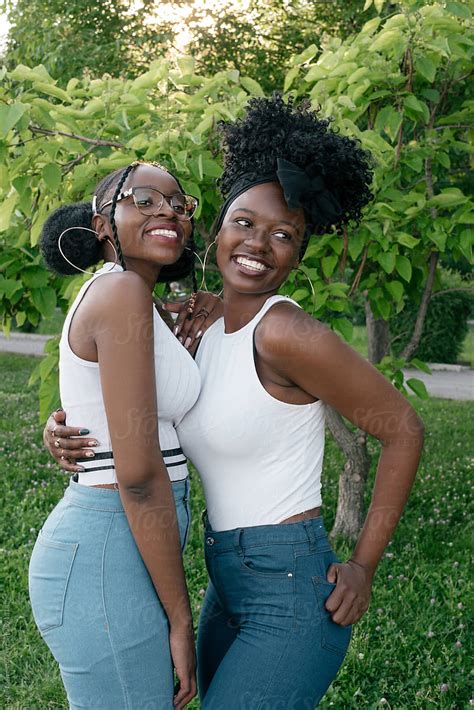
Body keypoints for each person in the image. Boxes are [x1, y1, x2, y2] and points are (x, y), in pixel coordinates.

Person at [43, 96, 424, 708]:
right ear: (217, 229)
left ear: (298, 254)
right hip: (227, 579)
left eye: (284, 236)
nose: (259, 244)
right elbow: (125, 387)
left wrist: (364, 564)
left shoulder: (286, 332)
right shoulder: (194, 326)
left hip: (294, 582)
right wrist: (65, 428)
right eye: (244, 222)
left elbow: (403, 429)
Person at [29, 160, 220, 710]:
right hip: (107, 550)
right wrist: (180, 619)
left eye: (179, 203)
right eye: (144, 199)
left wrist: (209, 307)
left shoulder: (138, 301)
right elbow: (136, 477)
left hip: (124, 550)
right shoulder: (121, 296)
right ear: (102, 226)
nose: (168, 211)